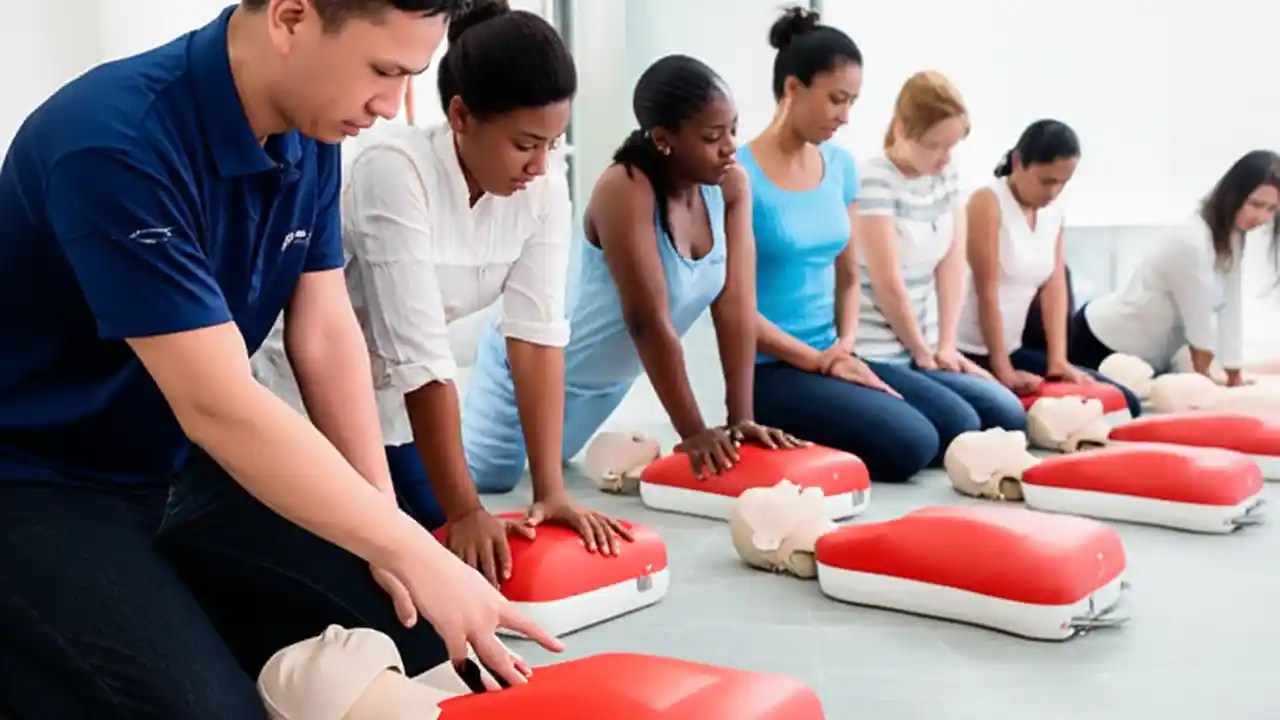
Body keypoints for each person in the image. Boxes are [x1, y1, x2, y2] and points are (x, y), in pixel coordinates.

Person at [0, 3, 562, 718]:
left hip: (176, 472)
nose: (390, 108)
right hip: (38, 486)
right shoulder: (113, 142)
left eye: (408, 77)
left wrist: (389, 538)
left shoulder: (307, 126)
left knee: (429, 646)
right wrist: (418, 554)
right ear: (292, 18)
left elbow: (324, 331)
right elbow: (218, 406)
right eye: (382, 72)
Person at [252, 0, 631, 589]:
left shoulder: (542, 188)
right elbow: (422, 354)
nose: (539, 165)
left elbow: (535, 337)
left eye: (553, 144)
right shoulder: (393, 170)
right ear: (460, 116)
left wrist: (550, 490)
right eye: (525, 143)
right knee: (371, 577)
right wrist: (463, 510)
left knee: (455, 571)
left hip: (395, 413)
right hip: (304, 400)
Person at [461, 53, 805, 524]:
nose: (729, 147)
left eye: (732, 130)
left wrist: (739, 417)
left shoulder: (730, 187)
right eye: (711, 137)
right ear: (663, 139)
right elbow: (647, 323)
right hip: (526, 369)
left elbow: (736, 307)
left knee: (551, 474)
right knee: (491, 484)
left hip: (602, 388)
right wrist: (693, 431)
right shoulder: (625, 188)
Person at [741, 7, 940, 484]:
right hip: (770, 370)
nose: (846, 116)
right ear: (793, 88)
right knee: (916, 444)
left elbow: (849, 277)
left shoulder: (841, 165)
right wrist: (818, 361)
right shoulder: (738, 177)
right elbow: (735, 308)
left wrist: (844, 344)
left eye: (852, 101)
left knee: (962, 423)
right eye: (836, 99)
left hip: (832, 353)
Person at [855, 70, 1028, 449]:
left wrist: (946, 345)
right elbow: (887, 283)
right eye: (935, 145)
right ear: (902, 128)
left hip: (929, 345)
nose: (944, 157)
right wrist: (920, 352)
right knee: (961, 424)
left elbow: (951, 267)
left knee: (1010, 415)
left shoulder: (947, 176)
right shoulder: (872, 180)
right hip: (878, 348)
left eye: (952, 146)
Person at [960, 120, 1142, 417]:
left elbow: (1054, 283)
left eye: (1062, 182)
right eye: (1046, 181)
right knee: (1007, 415)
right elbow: (986, 291)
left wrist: (1058, 360)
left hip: (1012, 349)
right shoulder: (988, 202)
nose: (1054, 191)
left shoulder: (1055, 209)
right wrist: (1004, 371)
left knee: (1125, 402)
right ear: (1018, 162)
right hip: (972, 352)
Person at [1070, 149, 1280, 386]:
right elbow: (1198, 330)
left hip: (1148, 354)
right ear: (1233, 194)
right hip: (1100, 341)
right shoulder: (1192, 241)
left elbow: (1231, 307)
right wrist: (1208, 383)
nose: (1262, 216)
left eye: (1272, 209)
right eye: (1255, 204)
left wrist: (1234, 374)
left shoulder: (1232, 236)